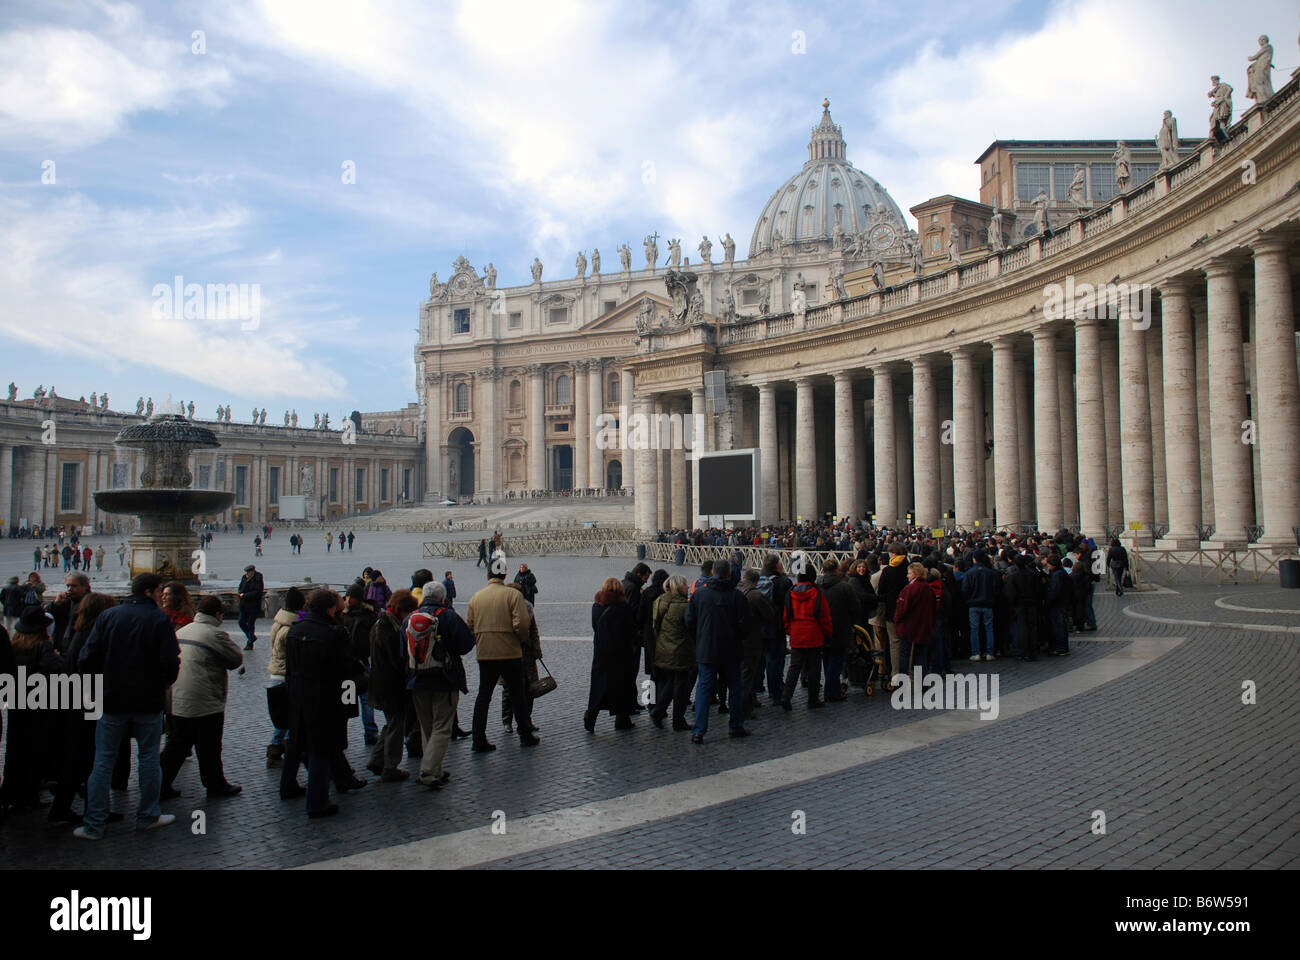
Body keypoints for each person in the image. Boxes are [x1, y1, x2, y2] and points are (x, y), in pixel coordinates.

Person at [74, 573, 180, 840]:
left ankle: (94, 824)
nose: (160, 595)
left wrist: (103, 682)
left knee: (103, 760)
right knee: (148, 758)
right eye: (158, 591)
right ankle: (148, 816)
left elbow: (86, 659)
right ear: (149, 592)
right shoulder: (159, 619)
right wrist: (161, 682)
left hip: (111, 699)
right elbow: (170, 662)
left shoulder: (108, 617)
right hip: (147, 700)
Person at [283, 589, 366, 819]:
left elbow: (289, 669)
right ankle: (317, 803)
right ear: (330, 609)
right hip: (326, 698)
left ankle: (295, 785)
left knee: (299, 742)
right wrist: (349, 699)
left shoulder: (295, 631)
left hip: (299, 696)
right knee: (322, 748)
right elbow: (345, 670)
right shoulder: (333, 634)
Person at [159, 595, 243, 799]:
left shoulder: (182, 631)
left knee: (178, 744)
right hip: (205, 699)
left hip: (178, 698)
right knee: (210, 745)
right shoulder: (214, 634)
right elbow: (235, 659)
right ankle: (215, 784)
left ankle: (160, 782)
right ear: (217, 614)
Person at [49, 593, 115, 825]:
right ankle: (83, 809)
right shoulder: (93, 634)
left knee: (82, 758)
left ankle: (90, 806)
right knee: (84, 758)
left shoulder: (80, 631)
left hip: (76, 699)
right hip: (86, 701)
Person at [465, 554, 538, 751]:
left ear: (488, 574)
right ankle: (525, 734)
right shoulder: (513, 595)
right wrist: (520, 640)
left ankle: (478, 738)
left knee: (483, 696)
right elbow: (522, 625)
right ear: (505, 575)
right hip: (510, 652)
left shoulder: (476, 597)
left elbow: (469, 626)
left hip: (485, 653)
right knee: (517, 693)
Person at [406, 584, 476, 788]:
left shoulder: (410, 618)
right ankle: (428, 771)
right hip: (443, 679)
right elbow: (466, 643)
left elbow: (403, 650)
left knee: (427, 726)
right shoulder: (447, 616)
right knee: (441, 727)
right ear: (442, 597)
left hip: (417, 680)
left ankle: (434, 768)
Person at [0, 607, 64, 815]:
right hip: (38, 704)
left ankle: (10, 792)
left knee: (15, 749)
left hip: (17, 703)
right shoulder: (43, 646)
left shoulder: (15, 644)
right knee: (35, 749)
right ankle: (29, 795)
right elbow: (56, 667)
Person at [685, 559, 749, 743]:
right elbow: (746, 626)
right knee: (735, 688)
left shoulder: (700, 594)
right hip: (731, 649)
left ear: (713, 572)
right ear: (729, 574)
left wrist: (700, 638)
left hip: (706, 649)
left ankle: (698, 730)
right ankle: (736, 726)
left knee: (704, 689)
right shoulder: (737, 596)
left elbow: (689, 621)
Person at [366, 589, 419, 782]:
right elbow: (396, 659)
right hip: (390, 684)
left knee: (391, 723)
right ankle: (390, 766)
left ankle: (377, 759)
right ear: (402, 609)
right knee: (397, 724)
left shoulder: (381, 622)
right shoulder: (388, 627)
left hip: (380, 682)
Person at [585, 577, 639, 732]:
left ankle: (591, 716)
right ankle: (622, 718)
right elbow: (630, 631)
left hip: (601, 651)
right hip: (620, 653)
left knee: (599, 686)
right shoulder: (623, 608)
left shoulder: (597, 606)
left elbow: (595, 626)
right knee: (623, 686)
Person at [780, 559, 832, 709]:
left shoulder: (790, 593)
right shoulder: (817, 593)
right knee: (814, 668)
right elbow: (824, 616)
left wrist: (790, 630)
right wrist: (827, 633)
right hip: (814, 634)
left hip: (796, 633)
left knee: (794, 668)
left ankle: (786, 696)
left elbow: (786, 616)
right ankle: (813, 698)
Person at [267, 586, 305, 769]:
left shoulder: (278, 623)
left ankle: (279, 748)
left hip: (276, 671)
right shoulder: (290, 629)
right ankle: (281, 750)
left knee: (283, 716)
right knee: (288, 717)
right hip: (285, 674)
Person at [649, 576, 693, 730]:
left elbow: (655, 625)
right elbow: (690, 627)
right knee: (681, 686)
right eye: (686, 584)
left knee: (670, 682)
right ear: (679, 587)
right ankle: (678, 720)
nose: (688, 586)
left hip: (664, 648)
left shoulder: (660, 601)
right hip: (680, 650)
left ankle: (658, 711)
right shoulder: (682, 606)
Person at [501, 581, 542, 735]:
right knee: (508, 689)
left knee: (530, 688)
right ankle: (507, 720)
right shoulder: (502, 610)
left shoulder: (528, 608)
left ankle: (526, 719)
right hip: (509, 653)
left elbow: (534, 631)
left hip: (527, 654)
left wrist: (537, 650)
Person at [342, 582, 380, 746]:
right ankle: (370, 732)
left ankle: (344, 732)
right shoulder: (370, 615)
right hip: (361, 664)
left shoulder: (342, 616)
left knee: (348, 701)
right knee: (364, 700)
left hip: (350, 665)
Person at [817, 558, 860, 701]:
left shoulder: (818, 586)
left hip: (822, 628)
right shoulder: (844, 587)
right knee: (836, 662)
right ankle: (831, 692)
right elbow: (855, 608)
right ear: (836, 570)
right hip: (840, 628)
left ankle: (832, 689)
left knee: (827, 660)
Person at [736, 568, 775, 720]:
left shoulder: (735, 591)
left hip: (737, 639)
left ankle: (747, 701)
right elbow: (769, 614)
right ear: (756, 582)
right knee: (748, 674)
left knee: (742, 673)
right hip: (752, 639)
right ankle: (744, 708)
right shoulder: (756, 595)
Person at [758, 555, 792, 704]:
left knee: (759, 659)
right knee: (774, 660)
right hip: (776, 625)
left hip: (759, 627)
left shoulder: (757, 579)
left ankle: (757, 686)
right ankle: (775, 691)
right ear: (777, 566)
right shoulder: (783, 582)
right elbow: (788, 605)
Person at [893, 562, 937, 676]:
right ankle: (921, 682)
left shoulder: (909, 589)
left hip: (908, 626)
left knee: (904, 655)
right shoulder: (929, 589)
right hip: (923, 626)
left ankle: (903, 682)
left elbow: (902, 609)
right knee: (921, 656)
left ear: (915, 574)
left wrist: (896, 620)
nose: (907, 576)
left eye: (909, 573)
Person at [962, 550, 1001, 661]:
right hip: (988, 603)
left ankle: (976, 653)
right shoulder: (991, 573)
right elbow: (996, 589)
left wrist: (968, 600)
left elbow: (965, 590)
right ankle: (989, 652)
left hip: (973, 604)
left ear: (974, 559)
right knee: (989, 628)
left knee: (974, 629)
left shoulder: (969, 573)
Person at [1003, 554, 1042, 661]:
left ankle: (1024, 651)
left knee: (1022, 628)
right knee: (1032, 627)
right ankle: (1032, 650)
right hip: (1032, 604)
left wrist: (1012, 604)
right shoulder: (1033, 574)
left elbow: (1010, 593)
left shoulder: (1012, 576)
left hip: (1019, 605)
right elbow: (1038, 591)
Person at [48, 571, 90, 652]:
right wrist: (55, 604)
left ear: (85, 586)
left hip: (78, 649)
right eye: (68, 586)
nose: (70, 589)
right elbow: (46, 616)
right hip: (62, 647)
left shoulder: (91, 603)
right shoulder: (65, 602)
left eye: (74, 586)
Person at [1045, 555, 1072, 656]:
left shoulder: (1057, 575)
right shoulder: (1062, 572)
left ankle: (1060, 647)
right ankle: (1063, 646)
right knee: (1062, 625)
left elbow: (1054, 591)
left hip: (1057, 604)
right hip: (1062, 602)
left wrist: (1049, 600)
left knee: (1058, 626)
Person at [237, 564, 264, 650]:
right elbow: (240, 588)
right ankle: (251, 637)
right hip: (243, 605)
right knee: (241, 622)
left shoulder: (258, 578)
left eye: (248, 572)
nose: (247, 574)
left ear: (253, 571)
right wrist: (241, 593)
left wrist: (244, 595)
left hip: (253, 606)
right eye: (246, 572)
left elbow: (258, 591)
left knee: (250, 624)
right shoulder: (244, 578)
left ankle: (249, 643)